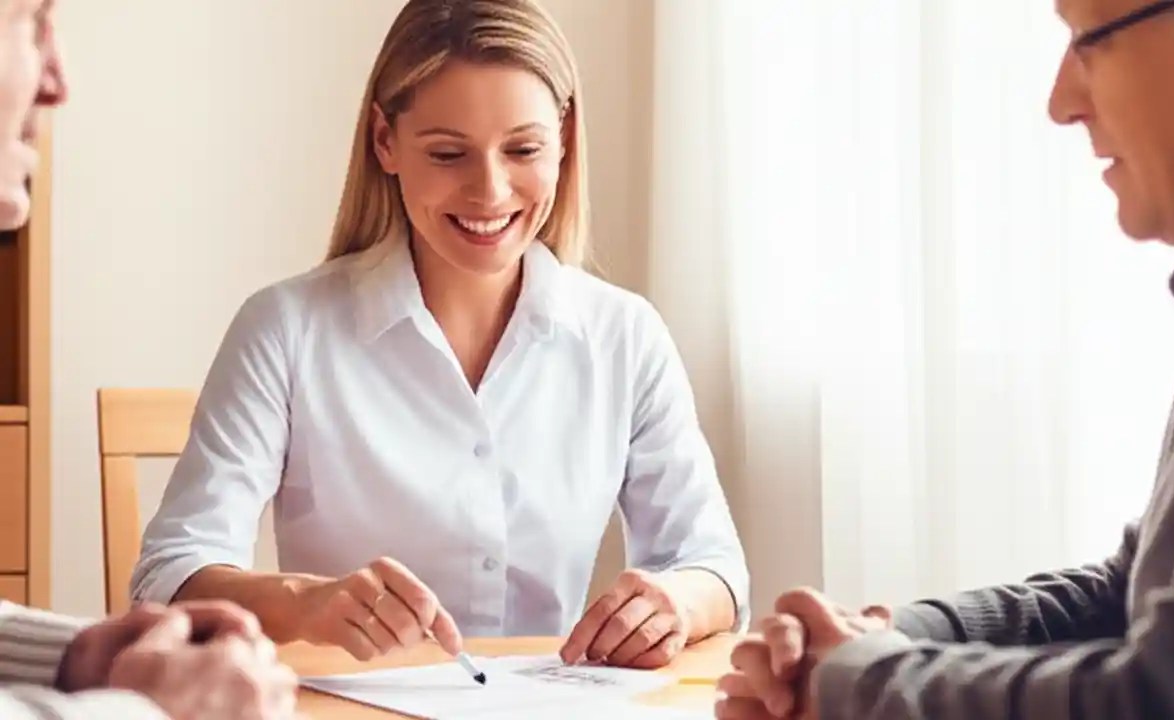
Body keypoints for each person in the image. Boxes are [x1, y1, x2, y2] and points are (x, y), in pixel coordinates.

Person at [131, 0, 748, 670]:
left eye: (523, 149)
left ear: (565, 138)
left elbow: (712, 567)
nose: (490, 189)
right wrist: (305, 604)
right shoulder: (285, 329)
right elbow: (169, 578)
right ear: (384, 141)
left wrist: (675, 603)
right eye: (449, 153)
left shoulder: (624, 336)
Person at [716, 0, 1174, 718]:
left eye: (1089, 41)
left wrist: (857, 682)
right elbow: (1132, 593)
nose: (1060, 101)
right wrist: (886, 639)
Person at [0, 1, 298, 718]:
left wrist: (75, 655)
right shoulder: (285, 323)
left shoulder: (620, 333)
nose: (58, 80)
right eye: (28, 19)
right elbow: (177, 564)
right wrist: (152, 711)